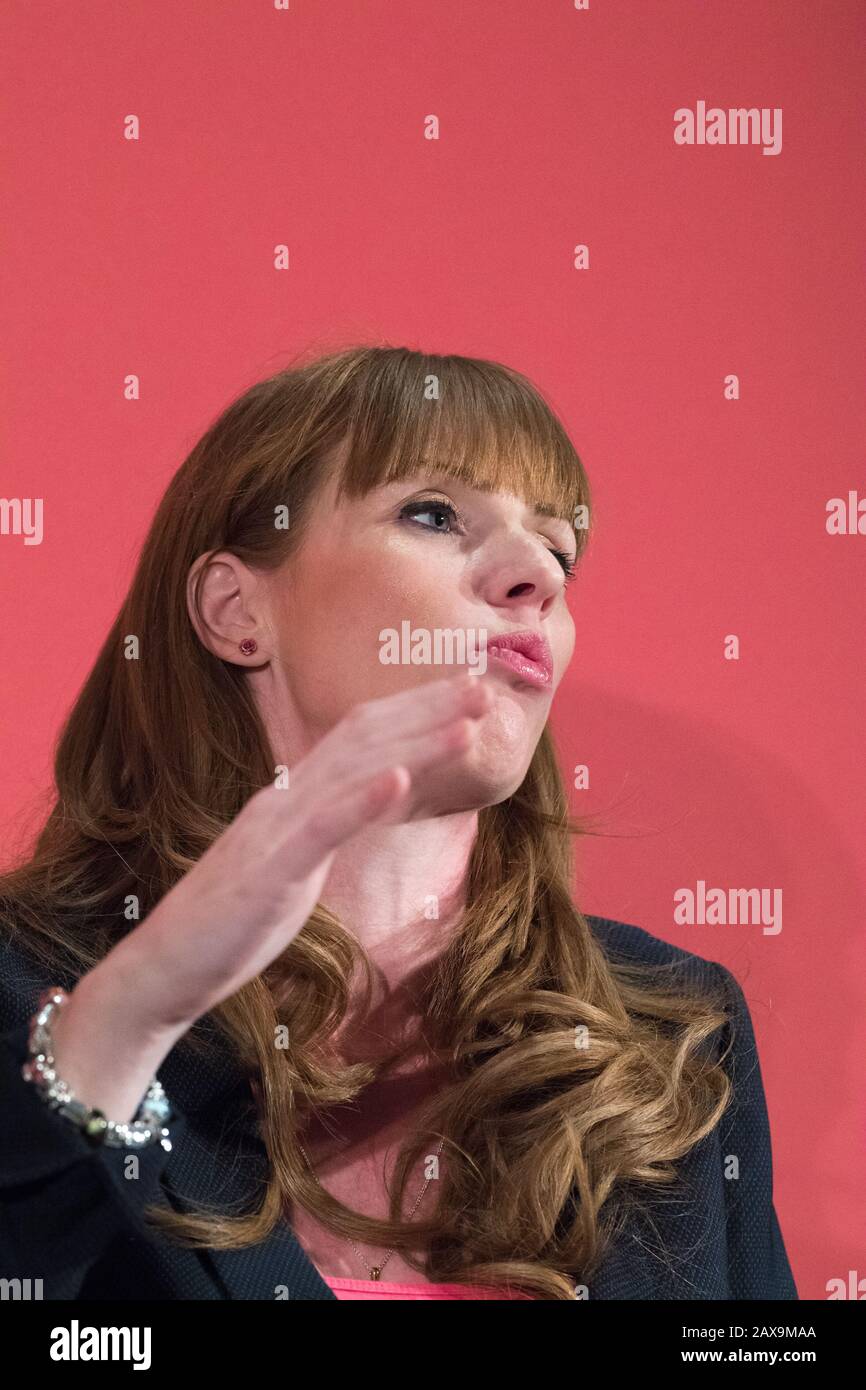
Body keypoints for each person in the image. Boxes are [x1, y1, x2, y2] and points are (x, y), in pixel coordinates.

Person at [0, 345, 797, 1300]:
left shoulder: (668, 1027)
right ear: (234, 609)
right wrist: (133, 1013)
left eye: (558, 546)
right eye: (435, 513)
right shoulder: (27, 986)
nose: (534, 573)